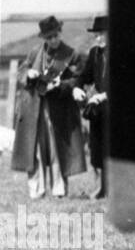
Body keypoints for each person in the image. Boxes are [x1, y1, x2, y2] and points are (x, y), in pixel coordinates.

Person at [11, 15, 87, 199]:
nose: (53, 40)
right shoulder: (34, 52)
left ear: (60, 33)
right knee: (34, 146)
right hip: (34, 106)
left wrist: (60, 86)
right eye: (49, 37)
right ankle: (36, 189)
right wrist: (29, 73)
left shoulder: (71, 54)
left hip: (59, 106)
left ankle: (59, 188)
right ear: (43, 38)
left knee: (56, 147)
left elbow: (78, 79)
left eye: (55, 36)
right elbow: (21, 71)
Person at [72, 15, 110, 199]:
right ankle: (102, 188)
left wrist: (102, 95)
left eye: (102, 34)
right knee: (97, 149)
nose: (99, 38)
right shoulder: (95, 53)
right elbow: (84, 76)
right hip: (99, 110)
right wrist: (77, 88)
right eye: (97, 35)